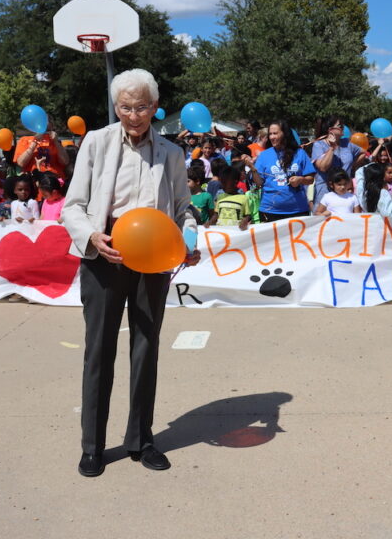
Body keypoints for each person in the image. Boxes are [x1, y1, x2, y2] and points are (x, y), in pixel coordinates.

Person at [62, 68, 199, 478]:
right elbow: (73, 205)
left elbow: (184, 209)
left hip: (154, 260)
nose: (134, 114)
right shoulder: (96, 142)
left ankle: (141, 439)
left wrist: (188, 240)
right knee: (99, 350)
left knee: (145, 347)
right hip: (105, 255)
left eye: (141, 107)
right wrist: (92, 236)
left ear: (155, 108)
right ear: (115, 107)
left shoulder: (172, 154)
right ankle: (93, 446)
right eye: (125, 106)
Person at [251, 120, 315, 222]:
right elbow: (259, 183)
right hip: (270, 211)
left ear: (285, 134)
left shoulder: (300, 153)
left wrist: (300, 179)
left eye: (275, 133)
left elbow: (310, 179)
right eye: (270, 134)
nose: (272, 137)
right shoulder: (264, 155)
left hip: (298, 211)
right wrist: (253, 169)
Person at [310, 116, 365, 208]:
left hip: (345, 192)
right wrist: (332, 148)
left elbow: (363, 152)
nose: (343, 127)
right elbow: (323, 167)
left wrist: (352, 165)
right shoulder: (319, 145)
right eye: (340, 125)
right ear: (330, 129)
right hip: (325, 194)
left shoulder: (347, 143)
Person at [209, 164, 257, 230]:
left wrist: (244, 221)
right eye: (222, 183)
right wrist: (209, 223)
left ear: (235, 182)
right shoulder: (220, 197)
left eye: (226, 183)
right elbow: (216, 214)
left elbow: (248, 215)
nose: (223, 186)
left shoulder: (244, 198)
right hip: (221, 231)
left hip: (235, 233)